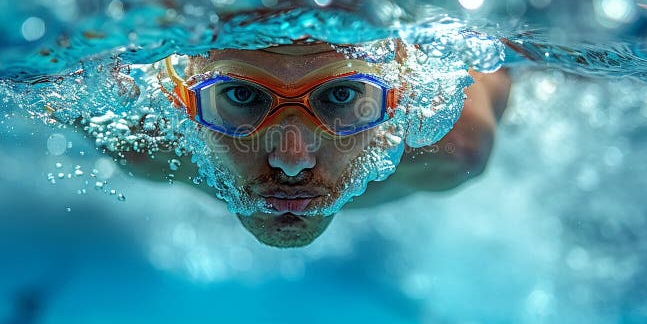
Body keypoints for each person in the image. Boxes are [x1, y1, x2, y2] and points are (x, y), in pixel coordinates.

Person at [124, 39, 510, 248]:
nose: (292, 162)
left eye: (340, 96)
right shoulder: (137, 138)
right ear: (178, 96)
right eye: (242, 96)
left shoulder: (455, 145)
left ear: (401, 96)